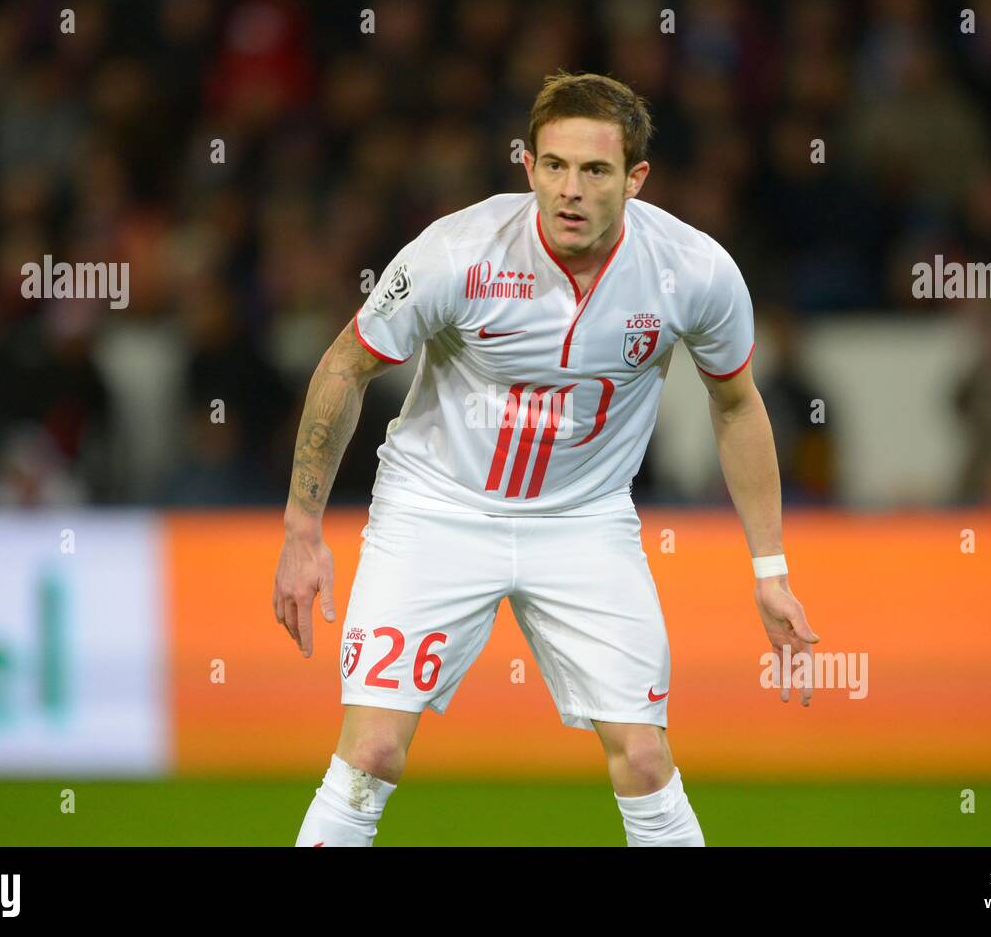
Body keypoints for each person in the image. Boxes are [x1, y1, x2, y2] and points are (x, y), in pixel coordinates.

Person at [275, 71, 817, 847]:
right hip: (438, 509)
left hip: (583, 523)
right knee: (371, 750)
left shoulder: (693, 272)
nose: (570, 189)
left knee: (643, 754)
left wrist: (770, 569)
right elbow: (343, 365)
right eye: (553, 165)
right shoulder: (455, 253)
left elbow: (736, 403)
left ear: (635, 179)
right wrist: (302, 528)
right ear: (526, 164)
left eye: (595, 170)